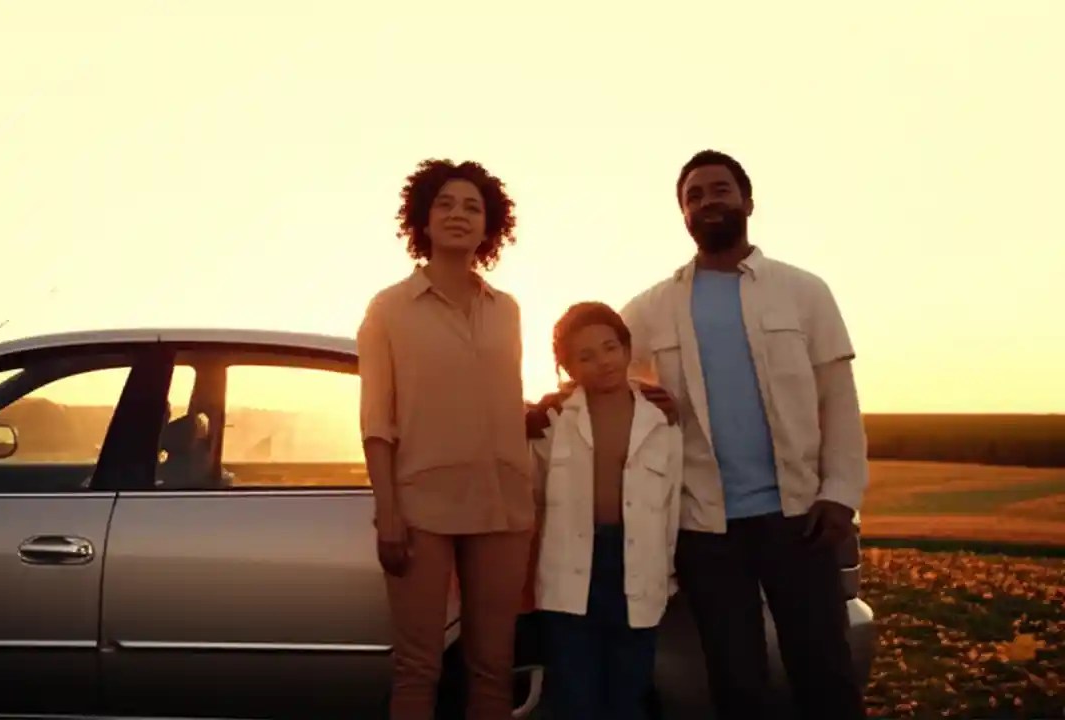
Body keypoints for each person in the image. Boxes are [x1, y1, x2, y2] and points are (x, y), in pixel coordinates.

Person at [617, 149, 869, 720]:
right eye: (695, 196)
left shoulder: (804, 292)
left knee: (823, 670)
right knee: (735, 681)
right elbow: (598, 379)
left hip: (799, 515)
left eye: (720, 190)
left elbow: (839, 399)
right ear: (682, 213)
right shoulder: (651, 309)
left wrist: (840, 494)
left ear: (747, 201)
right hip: (704, 525)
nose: (709, 202)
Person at [357, 158, 534, 720]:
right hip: (422, 508)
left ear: (490, 227)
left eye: (472, 207)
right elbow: (376, 419)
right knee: (419, 669)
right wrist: (388, 511)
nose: (459, 215)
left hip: (504, 507)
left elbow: (497, 400)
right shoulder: (389, 308)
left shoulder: (507, 310)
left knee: (491, 668)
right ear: (423, 221)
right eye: (446, 205)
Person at [530, 302, 683, 720]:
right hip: (569, 570)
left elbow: (670, 504)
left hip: (638, 569)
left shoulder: (660, 419)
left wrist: (666, 573)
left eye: (610, 347)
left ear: (627, 347)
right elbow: (533, 496)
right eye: (585, 357)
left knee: (629, 694)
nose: (603, 362)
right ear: (568, 368)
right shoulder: (554, 420)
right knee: (574, 695)